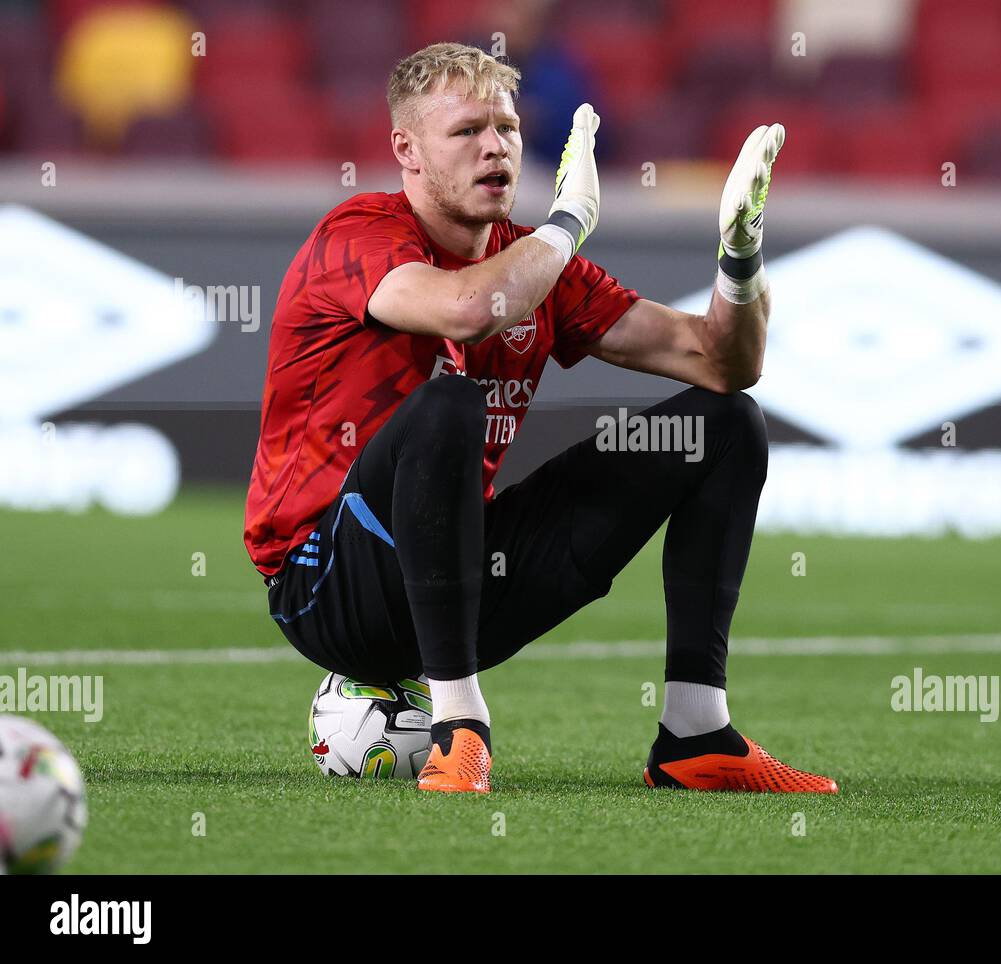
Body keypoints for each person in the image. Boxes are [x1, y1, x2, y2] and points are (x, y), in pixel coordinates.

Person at [243, 42, 837, 795]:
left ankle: (695, 731)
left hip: (460, 583)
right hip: (326, 584)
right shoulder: (357, 233)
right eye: (466, 132)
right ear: (407, 149)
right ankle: (460, 727)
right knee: (450, 402)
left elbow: (721, 362)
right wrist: (566, 226)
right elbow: (466, 310)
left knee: (724, 426)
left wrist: (740, 258)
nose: (495, 147)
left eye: (508, 128)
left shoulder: (536, 262)